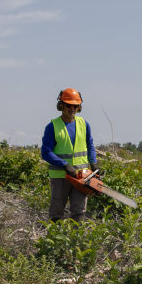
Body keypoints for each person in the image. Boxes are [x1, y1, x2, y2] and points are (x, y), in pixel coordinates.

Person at [41, 87, 97, 221]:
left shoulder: (84, 124)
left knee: (79, 212)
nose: (72, 109)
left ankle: (76, 241)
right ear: (61, 105)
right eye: (69, 105)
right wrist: (64, 165)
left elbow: (90, 145)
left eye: (75, 106)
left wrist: (93, 162)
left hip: (81, 176)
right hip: (60, 177)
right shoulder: (52, 127)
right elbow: (45, 152)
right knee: (56, 213)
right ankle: (54, 240)